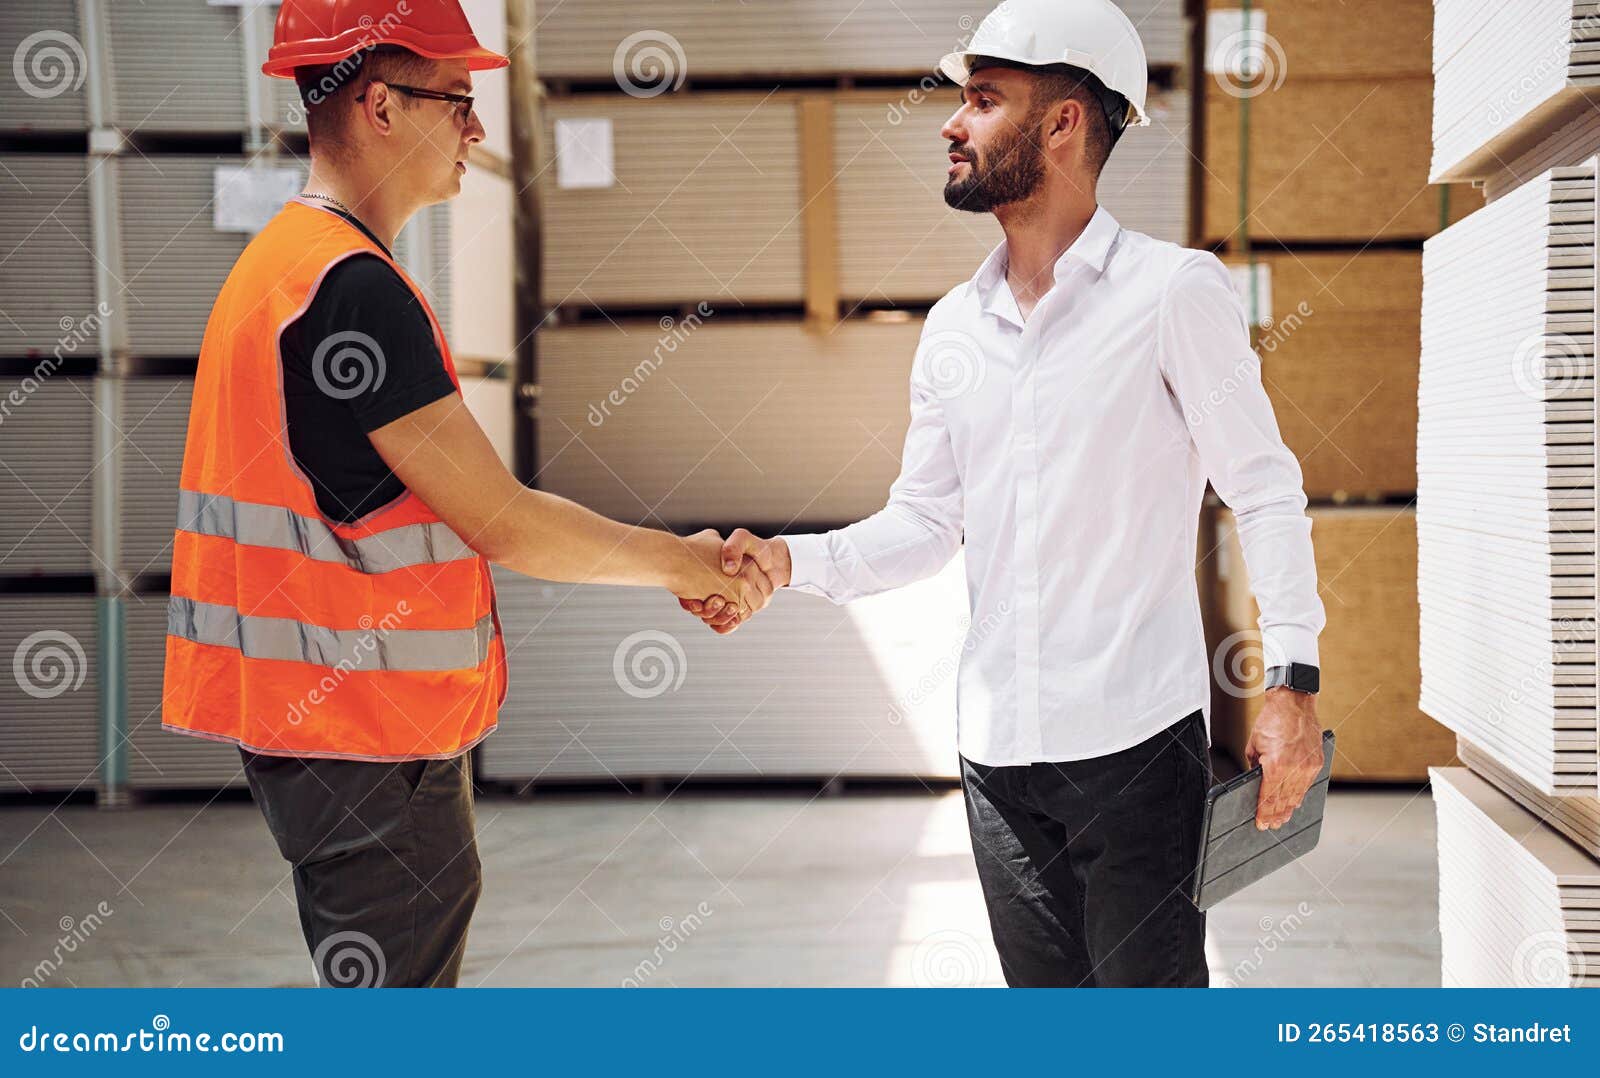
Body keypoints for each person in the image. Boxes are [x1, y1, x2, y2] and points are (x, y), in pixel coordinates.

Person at [684, 0, 1327, 988]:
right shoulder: (953, 327)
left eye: (981, 101)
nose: (951, 123)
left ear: (1064, 122)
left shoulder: (1172, 292)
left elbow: (1264, 488)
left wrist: (1290, 682)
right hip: (996, 760)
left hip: (1134, 747)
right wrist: (786, 562)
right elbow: (926, 523)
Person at [162, 0, 772, 988]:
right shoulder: (350, 290)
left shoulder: (279, 268)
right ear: (381, 106)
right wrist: (684, 561)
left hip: (320, 730)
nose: (477, 130)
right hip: (362, 735)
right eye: (458, 102)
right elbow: (503, 521)